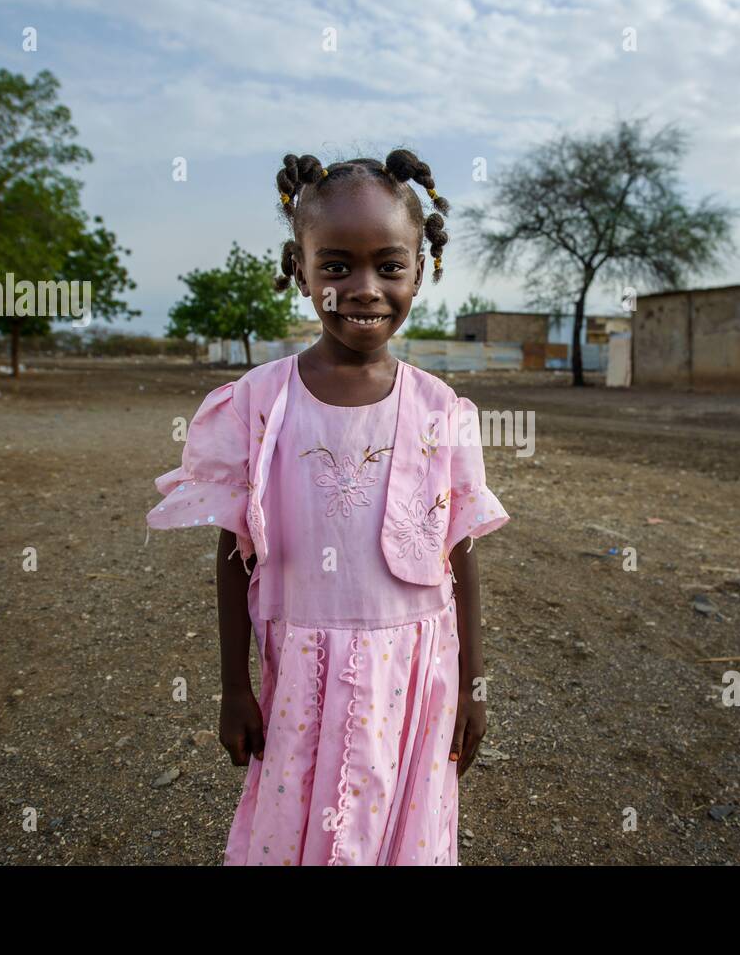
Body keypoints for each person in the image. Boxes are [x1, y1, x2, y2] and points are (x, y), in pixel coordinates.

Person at [146, 149, 509, 865]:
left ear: (421, 268)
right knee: (299, 834)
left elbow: (460, 552)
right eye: (337, 266)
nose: (364, 289)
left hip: (414, 674)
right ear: (300, 267)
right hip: (300, 676)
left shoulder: (442, 409)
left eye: (390, 266)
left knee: (400, 833)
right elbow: (233, 549)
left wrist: (472, 688)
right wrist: (232, 686)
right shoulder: (256, 402)